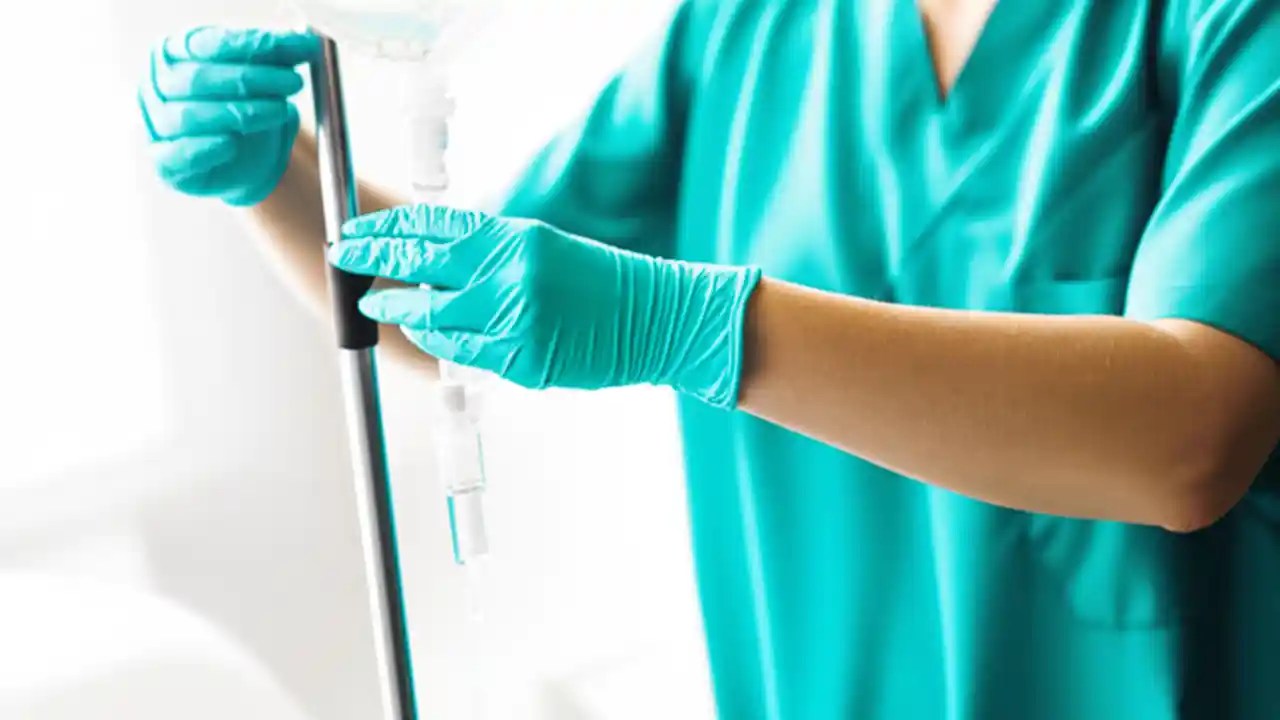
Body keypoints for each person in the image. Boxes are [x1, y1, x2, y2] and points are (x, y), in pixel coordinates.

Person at [137, 1, 1280, 717]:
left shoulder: (1220, 27)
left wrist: (690, 324)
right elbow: (449, 311)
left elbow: (1192, 437)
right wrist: (277, 174)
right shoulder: (748, 27)